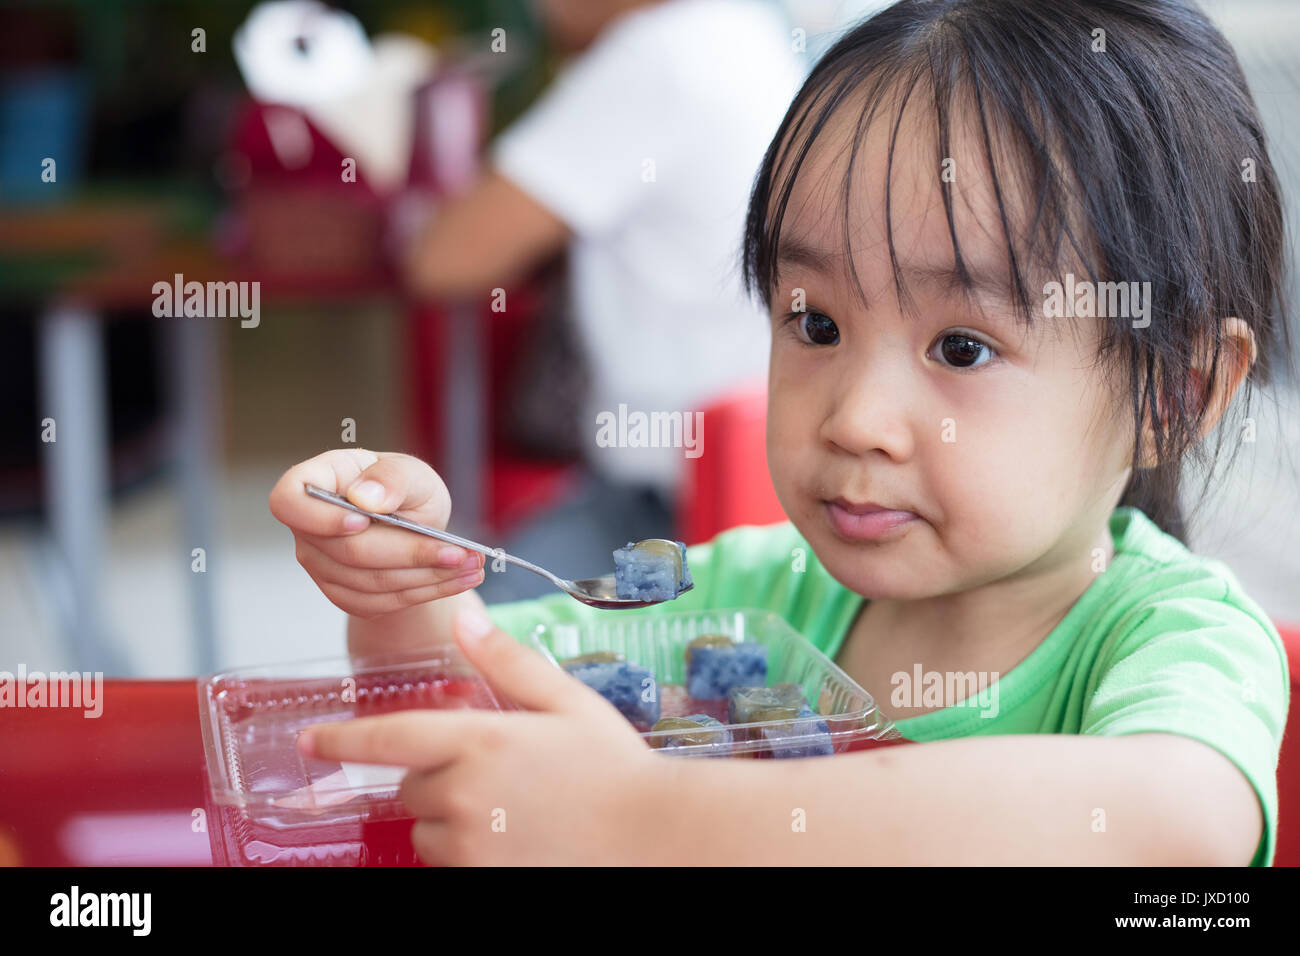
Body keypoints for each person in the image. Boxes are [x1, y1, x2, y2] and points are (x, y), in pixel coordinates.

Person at [270, 0, 1292, 865]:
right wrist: (404, 597)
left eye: (963, 348)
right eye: (815, 323)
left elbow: (1175, 814)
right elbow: (478, 708)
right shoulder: (747, 600)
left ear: (1175, 391)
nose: (853, 416)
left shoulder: (1171, 638)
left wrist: (643, 817)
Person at [402, 0, 804, 600]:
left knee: (461, 641)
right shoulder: (748, 33)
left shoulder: (658, 55)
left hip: (669, 508)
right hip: (747, 484)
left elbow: (444, 256)